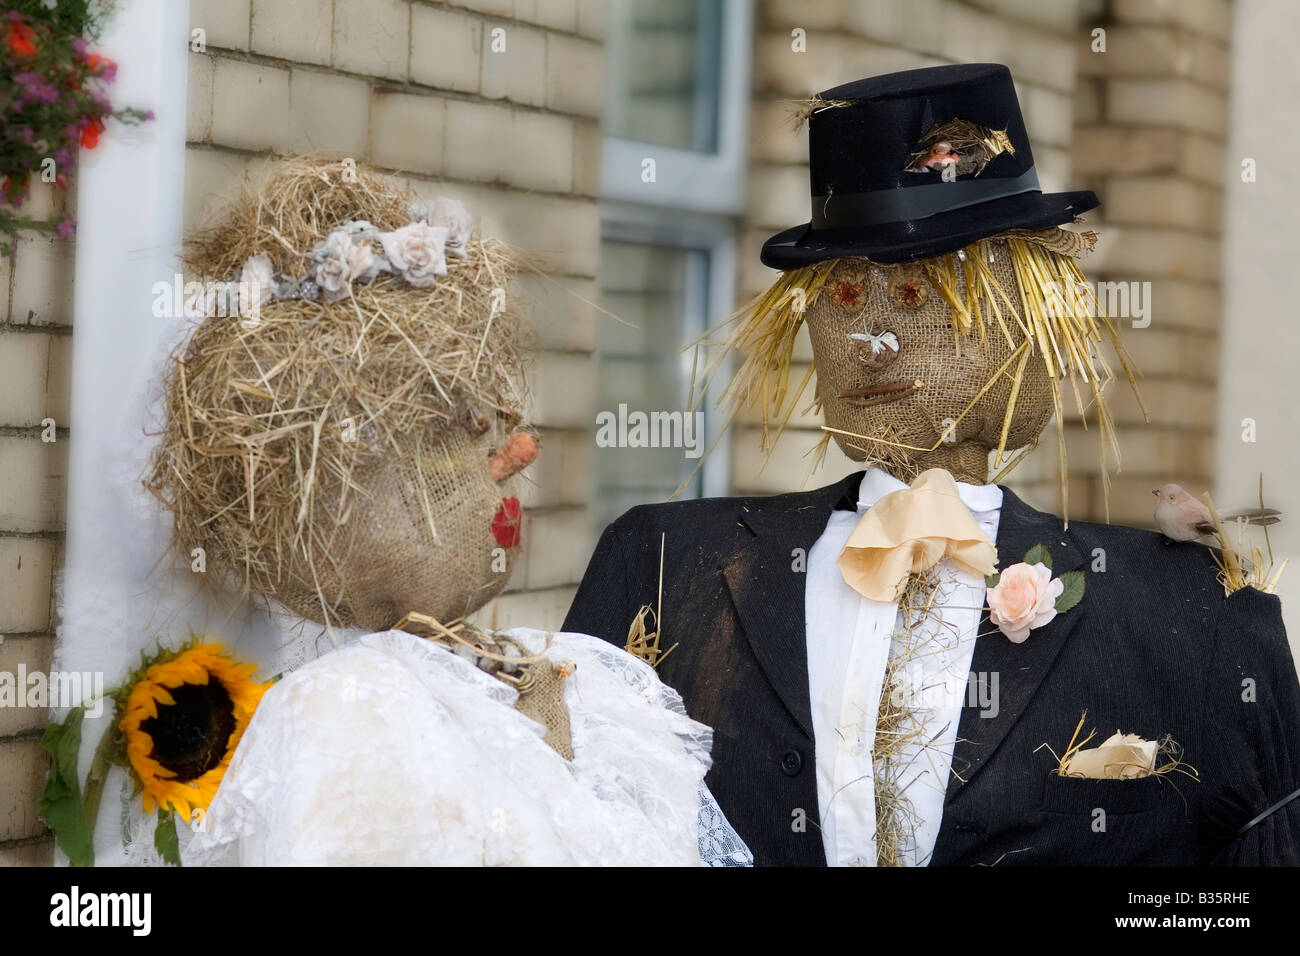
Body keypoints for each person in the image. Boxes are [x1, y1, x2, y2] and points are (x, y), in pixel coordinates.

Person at [563, 64, 1300, 866]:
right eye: (845, 300)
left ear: (1028, 315)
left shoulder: (1198, 614)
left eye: (917, 299)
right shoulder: (663, 567)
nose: (874, 341)